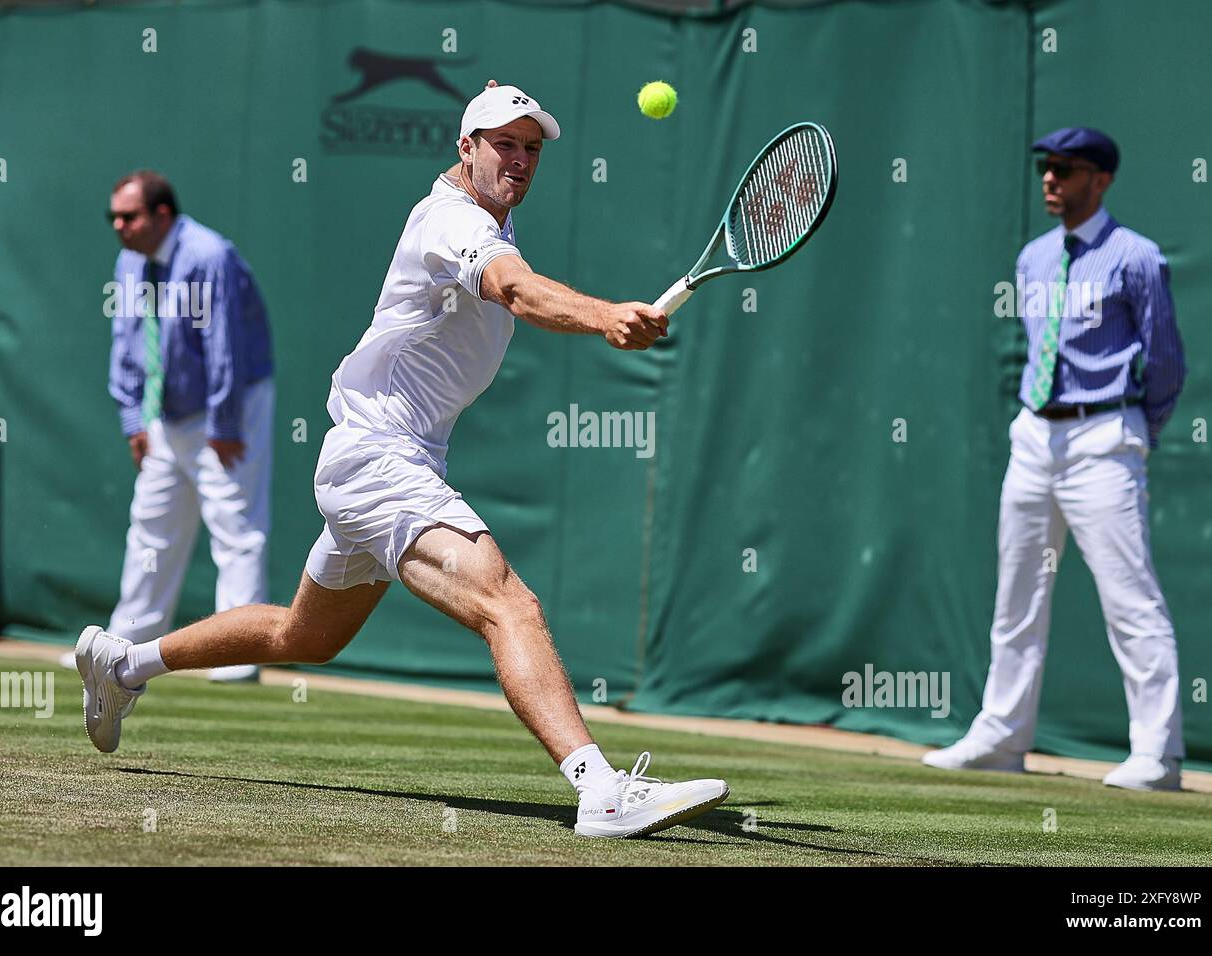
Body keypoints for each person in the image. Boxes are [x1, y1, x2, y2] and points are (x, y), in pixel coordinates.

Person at [75, 83, 730, 838]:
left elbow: (508, 272)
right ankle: (600, 788)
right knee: (506, 602)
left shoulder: (486, 218)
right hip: (376, 459)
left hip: (382, 458)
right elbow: (513, 291)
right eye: (502, 144)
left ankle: (121, 665)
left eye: (532, 147)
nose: (518, 160)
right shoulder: (453, 224)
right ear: (466, 148)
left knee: (302, 636)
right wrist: (605, 315)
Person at [922, 127, 1187, 791]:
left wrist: (1132, 429)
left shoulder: (1138, 258)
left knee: (1131, 600)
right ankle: (1001, 737)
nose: (1050, 180)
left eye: (1065, 170)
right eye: (1046, 168)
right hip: (1034, 438)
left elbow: (1165, 362)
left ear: (1100, 180)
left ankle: (1157, 754)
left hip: (1104, 440)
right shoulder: (1034, 258)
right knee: (1015, 596)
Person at [95, 170, 275, 683]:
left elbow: (226, 347)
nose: (119, 226)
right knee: (150, 528)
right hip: (165, 413)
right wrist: (134, 417)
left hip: (230, 407)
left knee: (236, 526)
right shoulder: (130, 261)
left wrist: (224, 423)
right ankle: (123, 644)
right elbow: (126, 340)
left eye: (128, 216)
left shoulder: (209, 255)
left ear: (162, 215)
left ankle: (237, 655)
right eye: (114, 218)